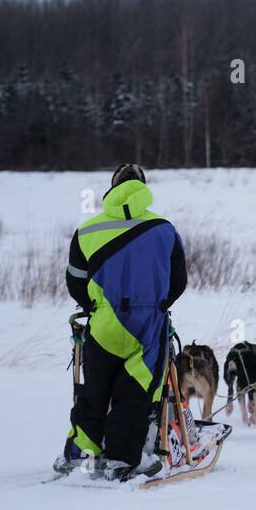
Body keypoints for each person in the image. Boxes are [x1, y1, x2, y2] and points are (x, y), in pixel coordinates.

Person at [55, 164, 188, 477]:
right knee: (136, 391)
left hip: (102, 322)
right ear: (143, 188)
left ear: (111, 189)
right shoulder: (164, 229)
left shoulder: (87, 230)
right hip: (147, 325)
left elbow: (75, 281)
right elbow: (178, 280)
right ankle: (122, 458)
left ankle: (80, 452)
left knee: (95, 389)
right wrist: (156, 306)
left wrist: (97, 307)